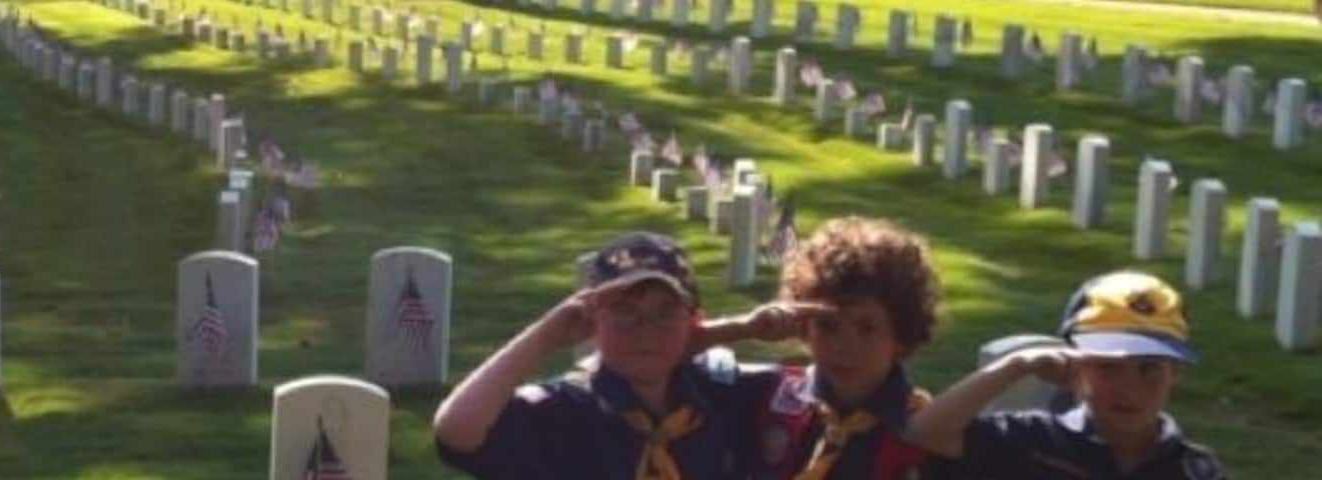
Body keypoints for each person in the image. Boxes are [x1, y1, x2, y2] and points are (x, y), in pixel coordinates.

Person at [432, 232, 756, 479]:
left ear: (695, 321)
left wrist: (747, 328)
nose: (645, 330)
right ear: (592, 322)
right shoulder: (563, 412)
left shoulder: (721, 397)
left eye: (666, 312)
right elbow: (457, 432)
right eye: (625, 312)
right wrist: (546, 335)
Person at [902, 270, 1228, 480]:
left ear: (1176, 374)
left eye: (1150, 369)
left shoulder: (1195, 470)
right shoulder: (1033, 443)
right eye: (1108, 366)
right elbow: (925, 433)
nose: (1129, 388)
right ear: (1075, 363)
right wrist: (1018, 365)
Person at [699, 216, 947, 479]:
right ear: (804, 327)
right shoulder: (767, 395)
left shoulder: (928, 427)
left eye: (867, 328)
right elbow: (672, 358)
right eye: (827, 326)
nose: (844, 346)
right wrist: (744, 328)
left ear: (902, 334)